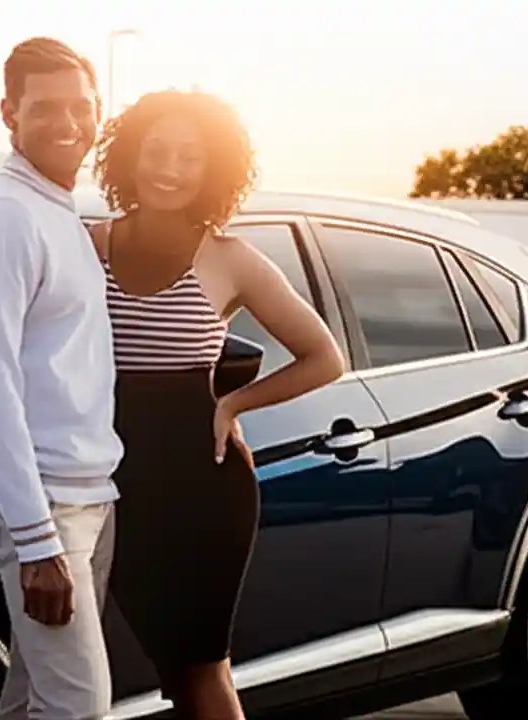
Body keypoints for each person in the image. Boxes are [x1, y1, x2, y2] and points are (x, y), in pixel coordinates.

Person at [89, 89, 345, 718]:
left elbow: (324, 357)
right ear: (131, 154)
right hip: (113, 484)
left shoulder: (231, 260)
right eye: (156, 150)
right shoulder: (87, 244)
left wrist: (231, 405)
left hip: (202, 489)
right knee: (171, 672)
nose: (169, 169)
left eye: (190, 156)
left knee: (203, 672)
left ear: (213, 170)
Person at [0, 36, 125, 719]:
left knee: (27, 702)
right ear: (9, 114)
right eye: (45, 108)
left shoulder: (55, 209)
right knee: (79, 706)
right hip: (43, 506)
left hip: (85, 493)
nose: (68, 124)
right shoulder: (7, 217)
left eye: (81, 107)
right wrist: (37, 541)